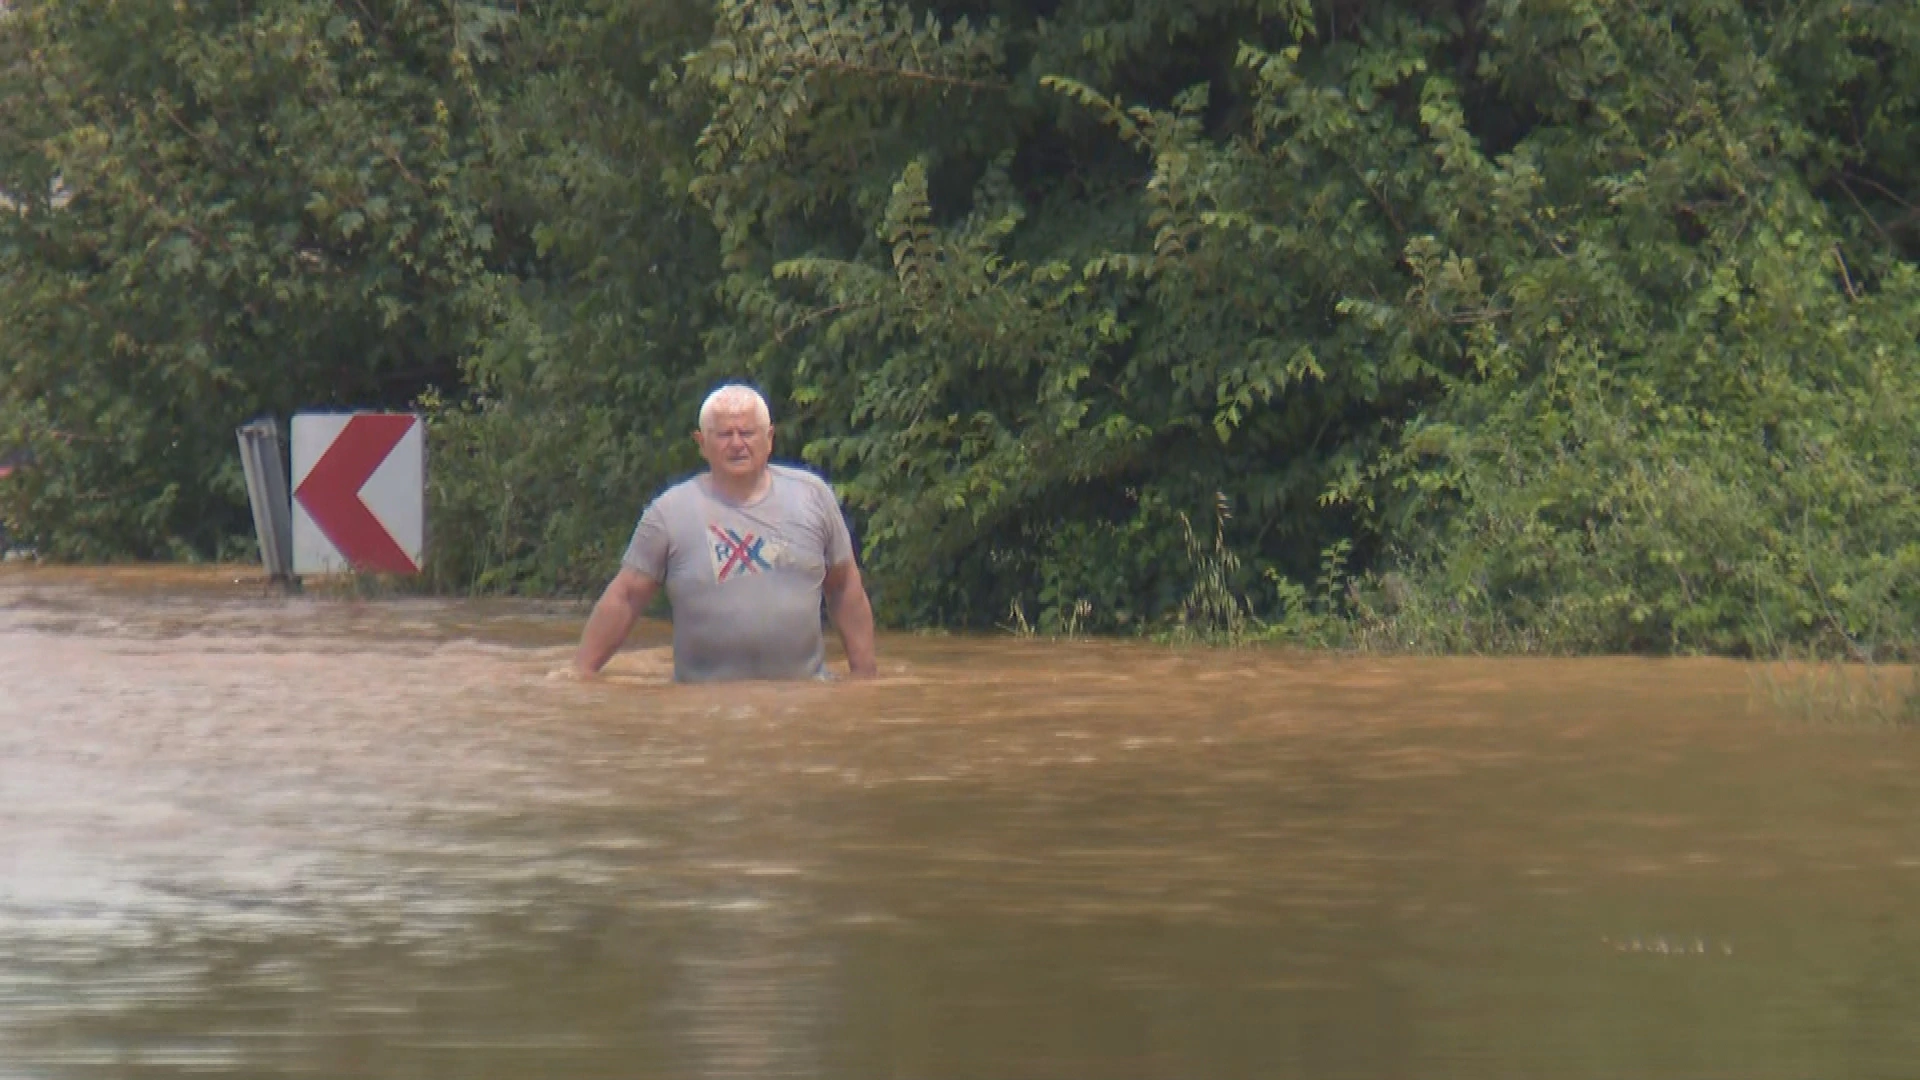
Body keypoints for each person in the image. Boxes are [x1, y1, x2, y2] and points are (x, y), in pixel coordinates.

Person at [568, 384, 878, 682]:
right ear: (702, 443)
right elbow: (627, 595)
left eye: (746, 433)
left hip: (803, 697)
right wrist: (581, 672)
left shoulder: (813, 497)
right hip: (701, 705)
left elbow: (844, 586)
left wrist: (865, 677)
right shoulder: (670, 511)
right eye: (724, 434)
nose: (736, 444)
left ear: (769, 438)